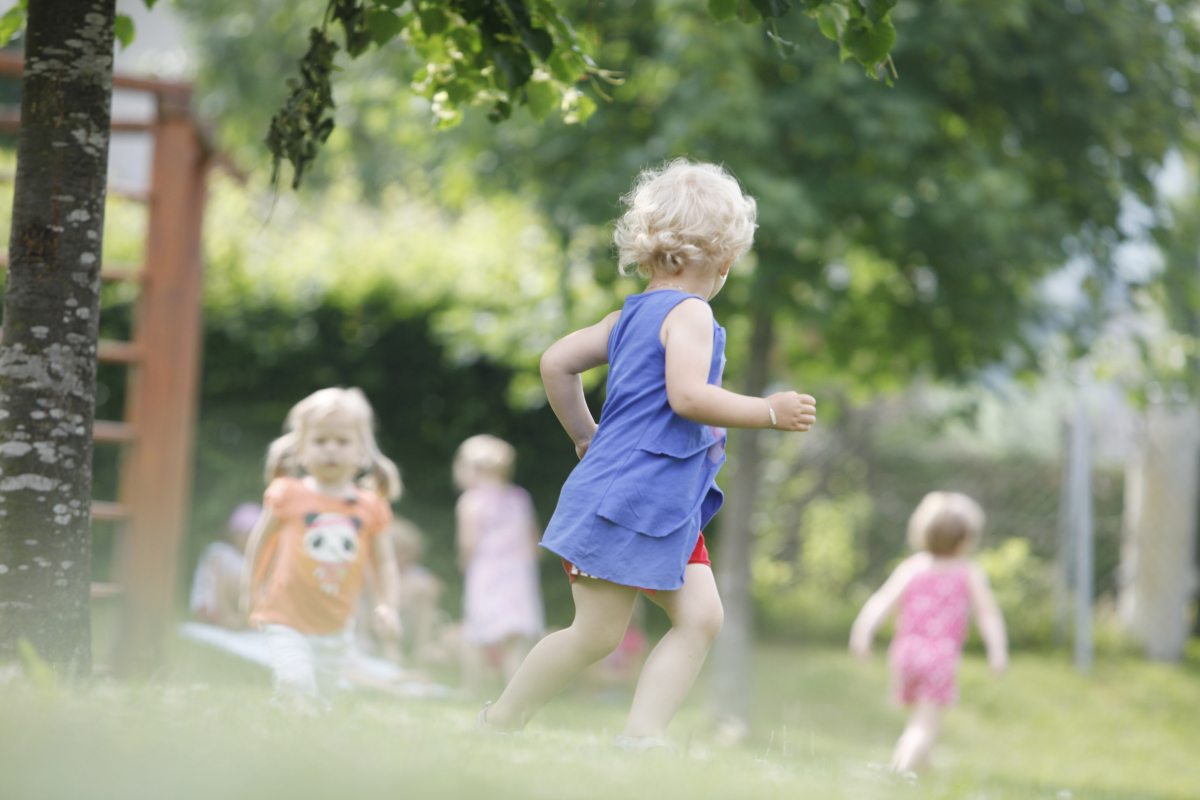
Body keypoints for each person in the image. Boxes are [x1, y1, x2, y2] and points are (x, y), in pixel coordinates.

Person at [476, 159, 818, 751]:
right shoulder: (692, 313)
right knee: (596, 634)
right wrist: (768, 410)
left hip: (662, 501)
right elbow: (688, 397)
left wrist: (586, 435)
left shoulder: (625, 317)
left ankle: (641, 738)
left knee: (697, 617)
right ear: (721, 259)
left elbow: (555, 363)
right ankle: (503, 718)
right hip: (633, 499)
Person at [239, 387, 402, 710]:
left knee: (323, 699)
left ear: (360, 452)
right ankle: (298, 718)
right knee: (297, 683)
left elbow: (384, 563)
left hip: (337, 625)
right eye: (320, 441)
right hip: (284, 615)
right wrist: (250, 588)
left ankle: (300, 736)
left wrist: (388, 605)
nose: (331, 450)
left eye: (342, 442)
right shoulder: (287, 494)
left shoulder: (371, 506)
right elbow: (261, 542)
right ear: (301, 449)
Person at [849, 491, 1009, 773]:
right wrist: (998, 652)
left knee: (920, 717)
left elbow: (881, 601)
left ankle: (923, 768)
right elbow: (988, 615)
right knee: (925, 725)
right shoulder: (967, 572)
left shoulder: (912, 568)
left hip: (905, 654)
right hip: (940, 658)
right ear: (965, 540)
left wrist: (862, 634)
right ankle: (901, 771)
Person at [455, 434, 545, 696]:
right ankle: (513, 693)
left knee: (476, 632)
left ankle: (471, 688)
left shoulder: (471, 501)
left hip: (486, 571)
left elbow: (468, 542)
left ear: (473, 468)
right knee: (515, 639)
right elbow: (534, 540)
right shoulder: (520, 498)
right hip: (519, 573)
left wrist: (464, 564)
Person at [190, 502, 260, 629]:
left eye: (251, 532)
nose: (246, 537)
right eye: (243, 531)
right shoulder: (220, 552)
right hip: (212, 608)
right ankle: (226, 617)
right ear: (234, 532)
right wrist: (209, 606)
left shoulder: (253, 560)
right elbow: (208, 581)